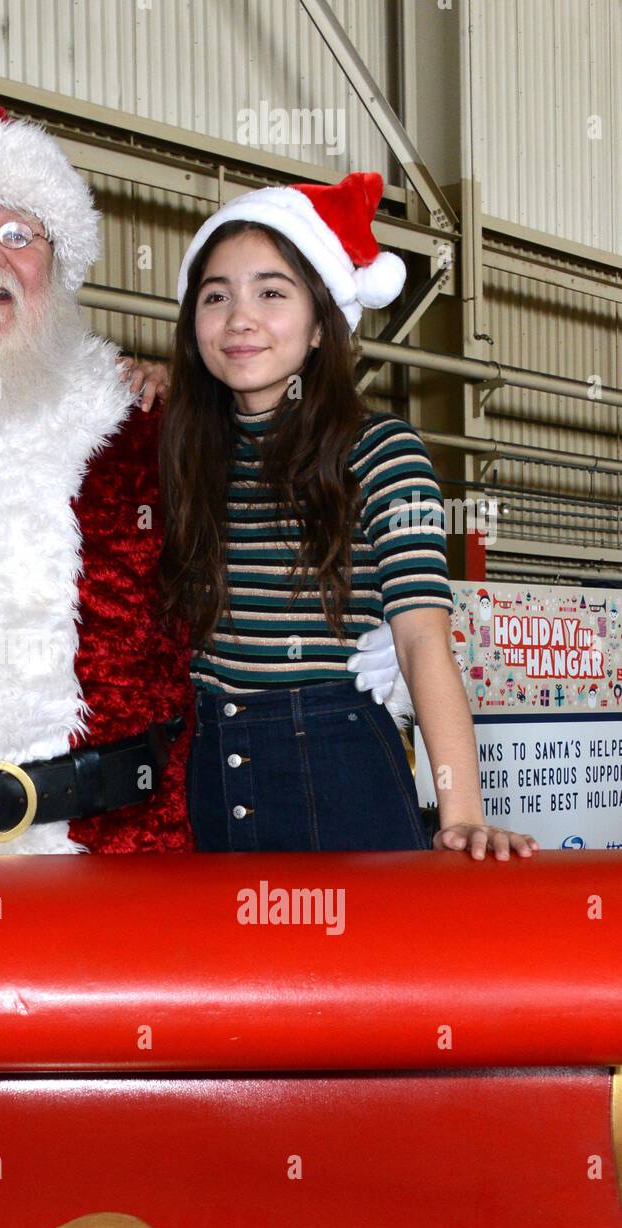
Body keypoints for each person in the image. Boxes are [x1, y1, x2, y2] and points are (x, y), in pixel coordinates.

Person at [0, 102, 411, 854]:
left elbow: (280, 503)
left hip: (117, 876)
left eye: (18, 234)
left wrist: (374, 632)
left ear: (56, 267)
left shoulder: (145, 422)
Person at [159, 172, 538, 860]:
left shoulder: (381, 448)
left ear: (318, 325)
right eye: (216, 297)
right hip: (206, 773)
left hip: (334, 767)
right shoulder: (182, 450)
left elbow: (422, 639)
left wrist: (462, 814)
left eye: (272, 292)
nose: (239, 317)